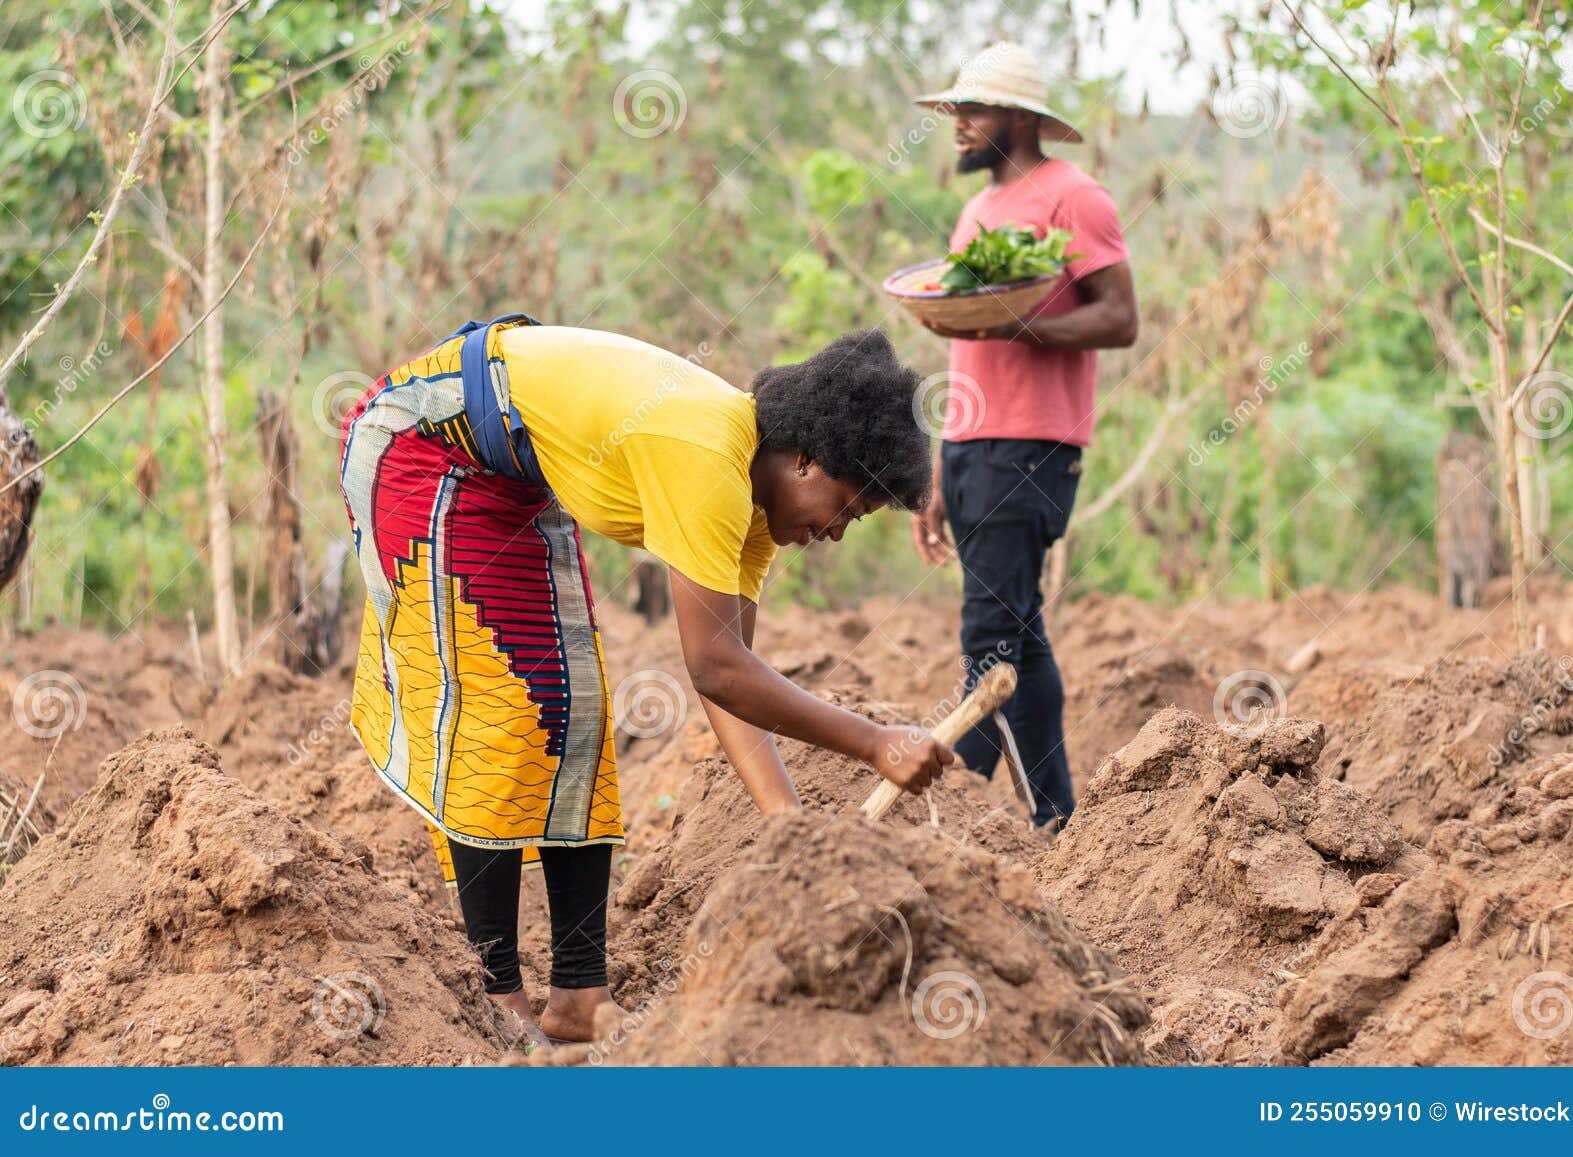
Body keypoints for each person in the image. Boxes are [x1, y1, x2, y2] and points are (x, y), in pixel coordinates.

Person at [339, 321, 953, 1045]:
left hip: (506, 476)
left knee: (574, 710)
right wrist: (875, 742)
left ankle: (579, 994)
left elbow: (732, 684)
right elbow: (717, 667)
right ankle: (497, 996)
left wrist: (795, 831)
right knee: (500, 713)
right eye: (846, 507)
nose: (837, 531)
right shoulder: (706, 455)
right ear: (806, 460)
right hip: (423, 446)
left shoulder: (756, 501)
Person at [910, 43, 1139, 829]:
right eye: (956, 112)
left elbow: (1120, 316)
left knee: (990, 637)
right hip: (972, 448)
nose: (958, 127)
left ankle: (953, 805)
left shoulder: (1075, 198)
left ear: (1021, 118)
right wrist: (939, 472)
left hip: (1034, 448)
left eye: (972, 112)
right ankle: (1056, 819)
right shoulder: (976, 214)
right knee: (1019, 632)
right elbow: (962, 351)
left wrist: (1028, 327)